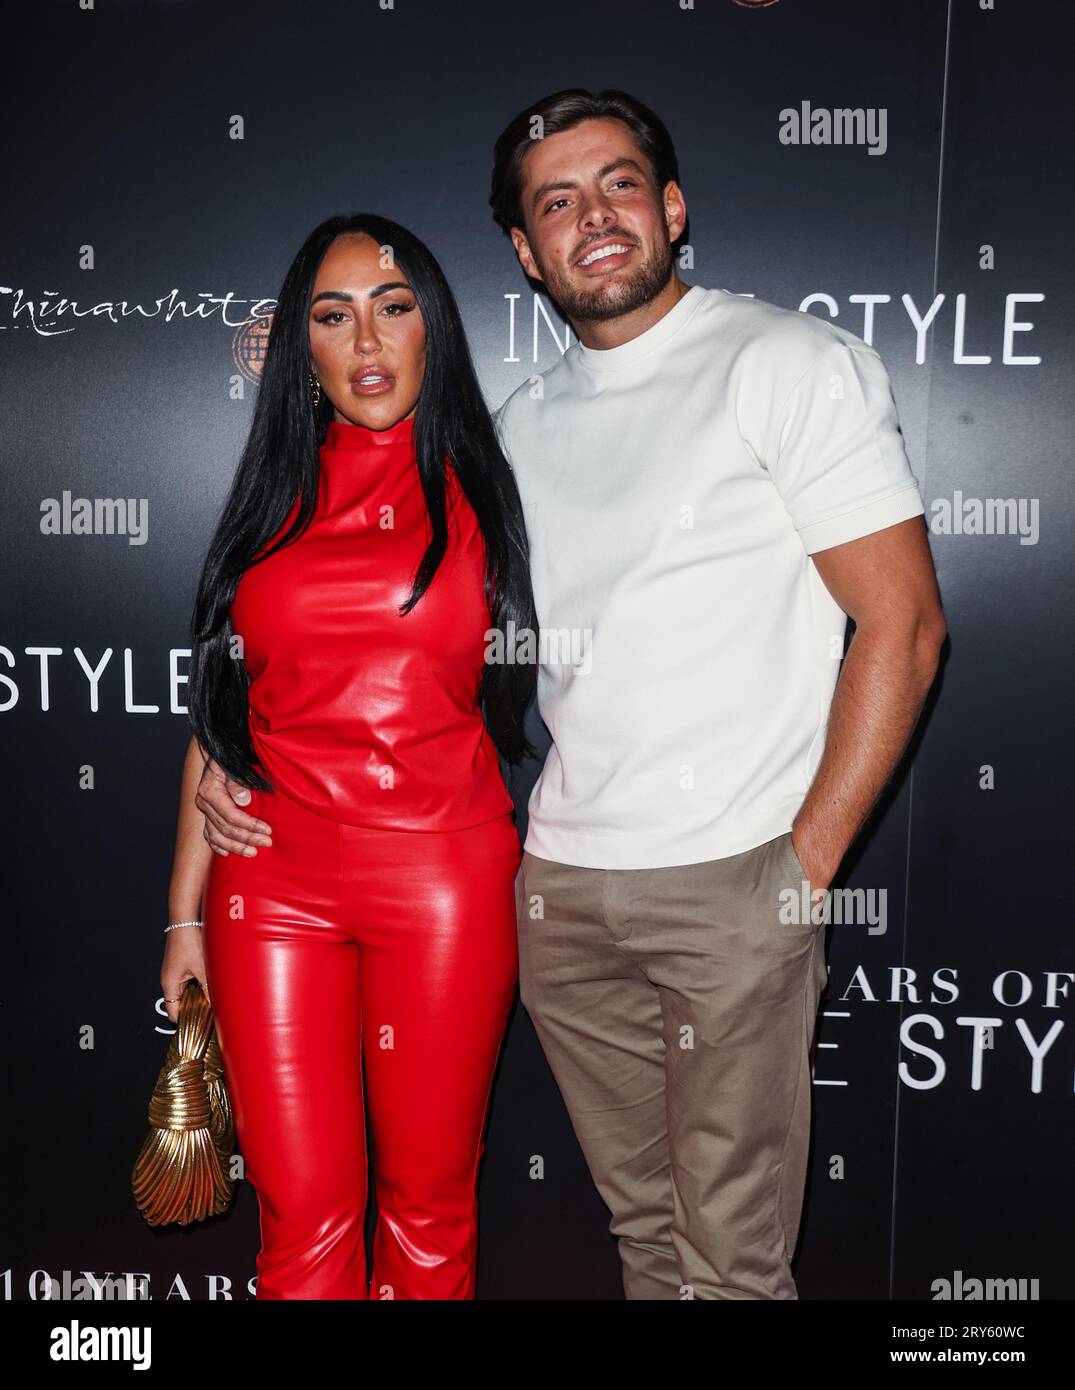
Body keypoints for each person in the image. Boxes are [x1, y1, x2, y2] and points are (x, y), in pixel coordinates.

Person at [488, 88, 947, 1299]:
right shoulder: (516, 425)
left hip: (736, 877)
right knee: (645, 1238)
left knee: (734, 1258)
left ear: (673, 207)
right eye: (556, 201)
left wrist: (800, 871)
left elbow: (901, 622)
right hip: (563, 888)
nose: (593, 215)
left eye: (620, 183)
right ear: (526, 253)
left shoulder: (785, 362)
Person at [162, 212, 536, 1300]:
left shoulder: (505, 481)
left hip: (441, 885)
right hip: (269, 883)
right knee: (301, 1216)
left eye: (393, 307)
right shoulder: (270, 496)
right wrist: (184, 910)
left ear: (435, 328)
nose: (366, 343)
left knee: (427, 1212)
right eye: (333, 317)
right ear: (301, 348)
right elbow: (221, 715)